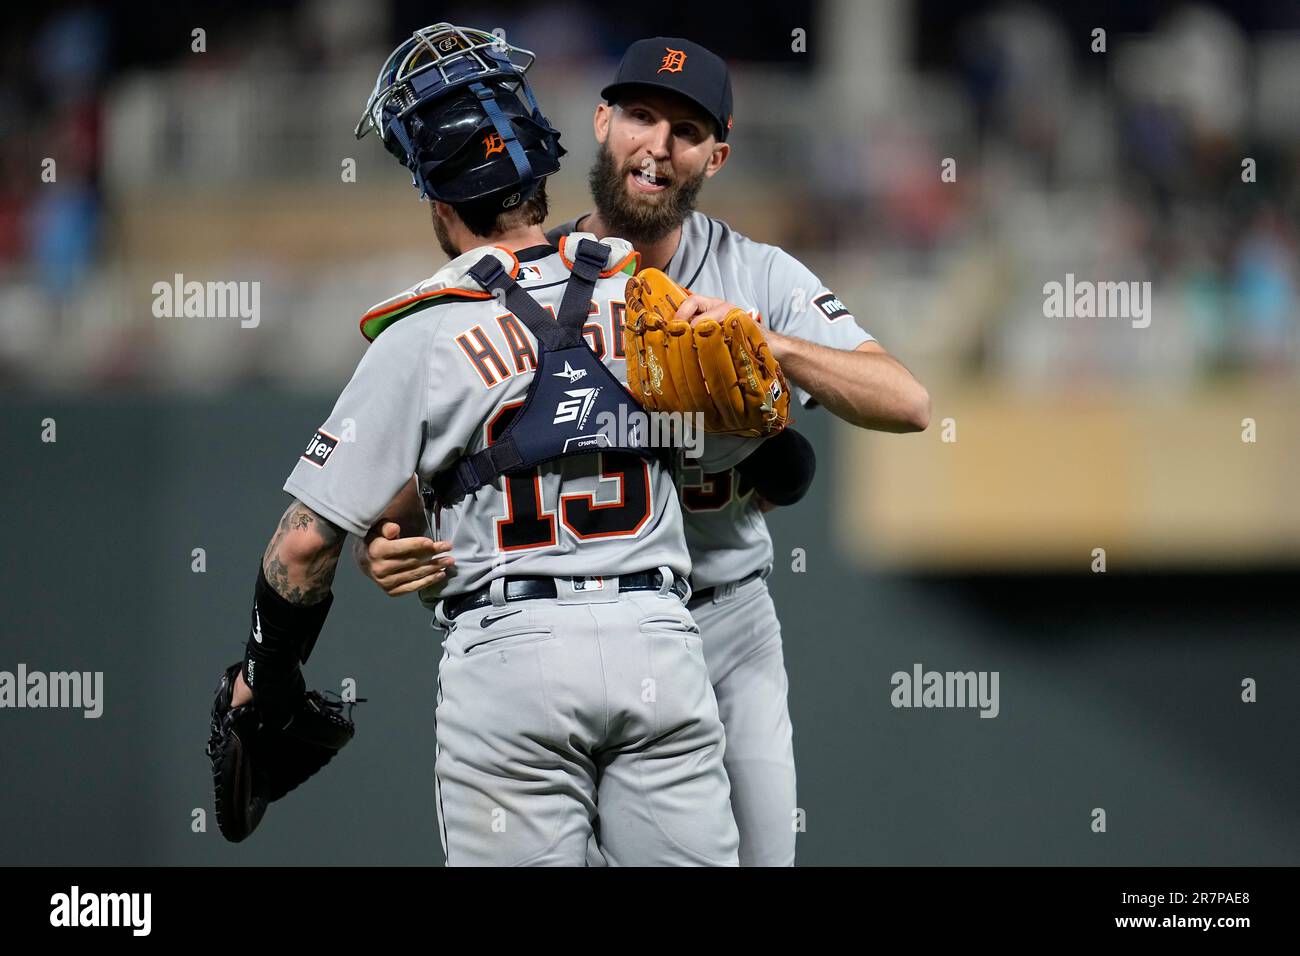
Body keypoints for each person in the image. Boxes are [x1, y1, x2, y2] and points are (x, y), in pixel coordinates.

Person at [360, 36, 930, 867]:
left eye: (687, 130)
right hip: (566, 616)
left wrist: (769, 342)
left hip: (723, 620)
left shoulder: (755, 274)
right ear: (602, 120)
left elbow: (907, 401)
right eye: (639, 115)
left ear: (716, 156)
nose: (656, 145)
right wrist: (388, 535)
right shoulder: (533, 275)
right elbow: (460, 451)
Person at [232, 24, 740, 866]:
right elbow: (741, 452)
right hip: (660, 644)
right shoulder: (655, 299)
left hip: (512, 658)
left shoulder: (423, 334)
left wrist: (267, 680)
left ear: (436, 197)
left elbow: (303, 545)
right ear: (543, 167)